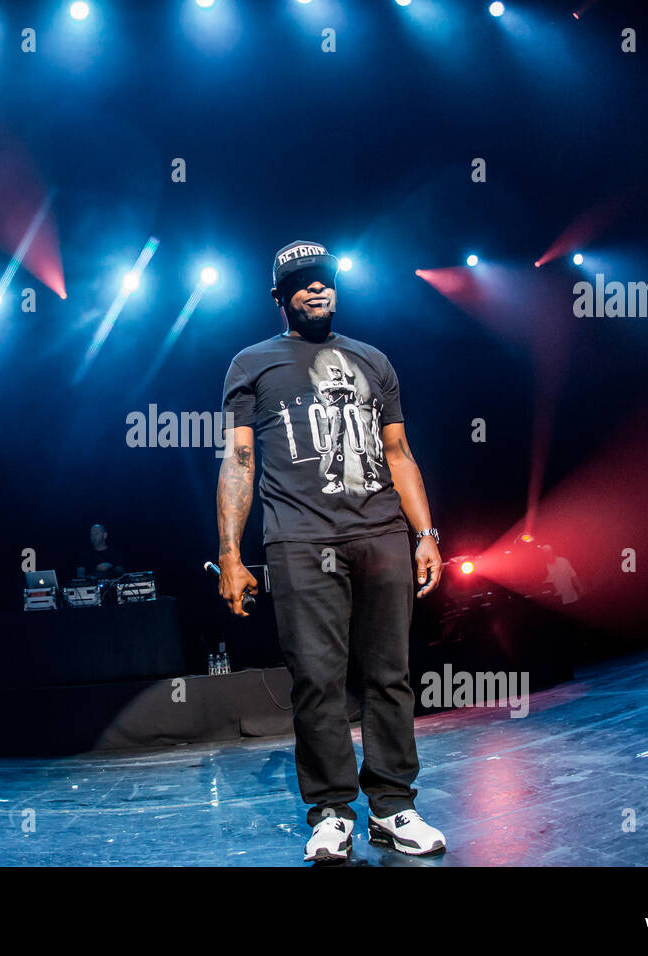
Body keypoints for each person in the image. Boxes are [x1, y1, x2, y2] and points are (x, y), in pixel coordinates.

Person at [217, 240, 446, 863]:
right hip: (299, 539)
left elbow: (399, 454)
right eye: (302, 283)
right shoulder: (252, 365)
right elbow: (239, 459)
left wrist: (424, 534)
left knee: (389, 676)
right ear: (279, 297)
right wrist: (231, 554)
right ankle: (331, 812)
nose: (316, 290)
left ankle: (394, 806)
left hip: (380, 534)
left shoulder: (373, 360)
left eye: (324, 280)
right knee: (317, 681)